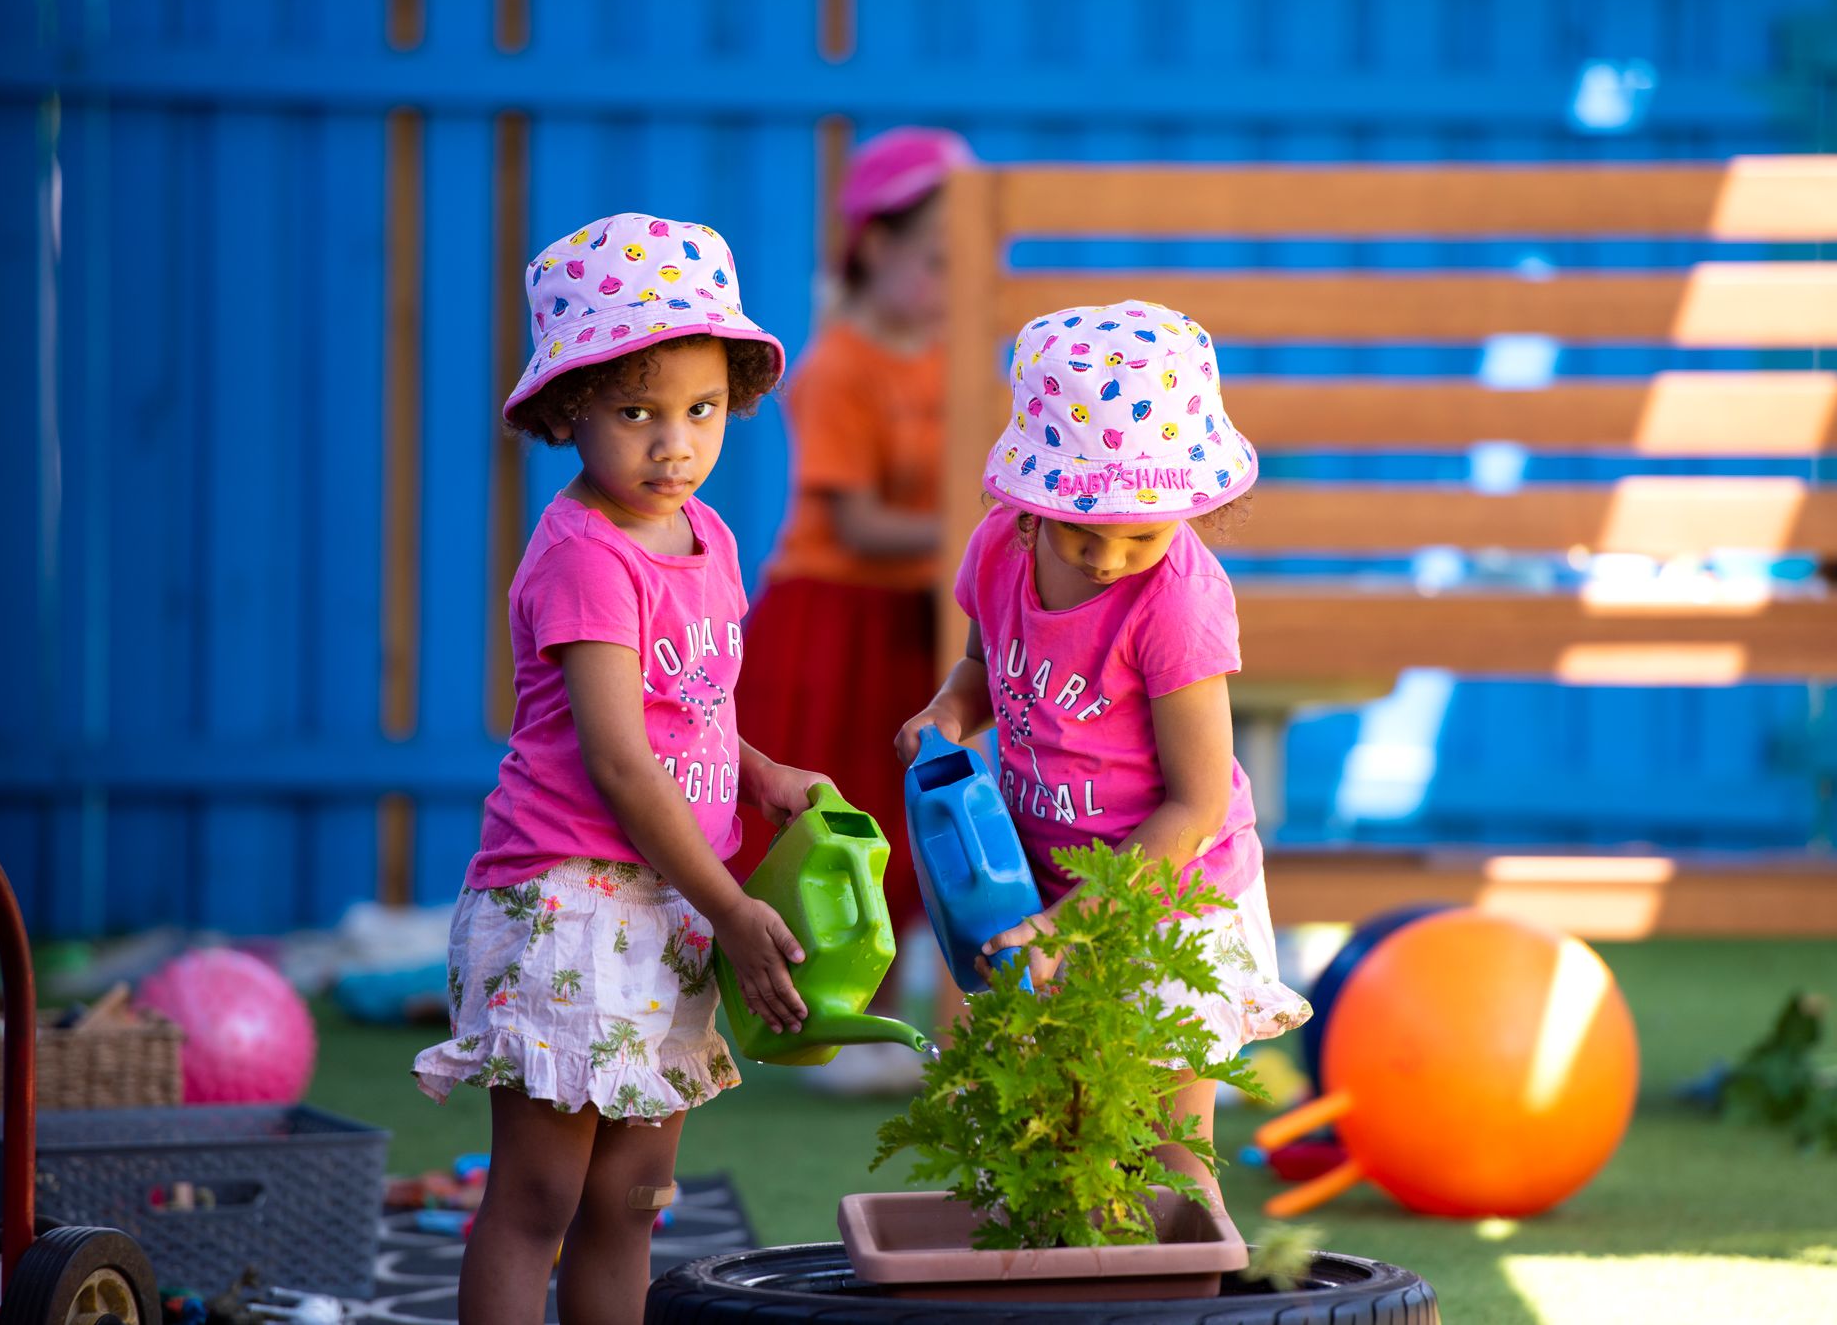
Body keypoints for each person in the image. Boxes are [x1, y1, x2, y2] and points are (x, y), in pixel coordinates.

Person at [413, 214, 830, 1324]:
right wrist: (736, 909)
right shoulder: (583, 555)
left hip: (673, 897)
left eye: (698, 411)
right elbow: (618, 760)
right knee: (540, 1190)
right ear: (569, 410)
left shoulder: (710, 540)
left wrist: (757, 771)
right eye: (635, 412)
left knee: (634, 1195)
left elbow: (685, 708)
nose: (673, 444)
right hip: (570, 899)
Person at [895, 300, 1311, 1204]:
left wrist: (1074, 926)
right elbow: (980, 667)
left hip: (1168, 901)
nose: (1111, 557)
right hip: (1039, 886)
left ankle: (1194, 1295)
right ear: (1031, 505)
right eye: (1084, 530)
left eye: (1143, 533)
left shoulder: (1180, 604)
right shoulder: (1000, 552)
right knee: (1058, 1135)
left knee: (1165, 1149)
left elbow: (1195, 806)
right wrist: (946, 713)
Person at [735, 127, 974, 1095]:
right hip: (831, 616)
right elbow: (859, 521)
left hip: (913, 621)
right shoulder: (839, 364)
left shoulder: (958, 363)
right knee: (824, 816)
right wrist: (969, 534)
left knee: (913, 815)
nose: (955, 281)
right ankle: (807, 1013)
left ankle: (883, 1009)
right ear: (874, 246)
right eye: (935, 260)